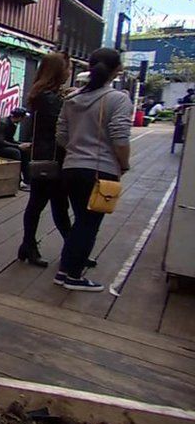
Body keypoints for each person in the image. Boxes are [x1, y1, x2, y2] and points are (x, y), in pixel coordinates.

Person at [55, 48, 132, 292]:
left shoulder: (72, 98)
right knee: (88, 224)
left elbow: (61, 135)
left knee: (81, 221)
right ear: (117, 70)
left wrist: (77, 149)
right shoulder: (118, 99)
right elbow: (120, 137)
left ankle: (64, 271)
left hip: (71, 168)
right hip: (101, 170)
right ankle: (73, 276)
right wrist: (124, 164)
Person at [18, 53, 72, 268]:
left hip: (46, 156)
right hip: (51, 158)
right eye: (67, 68)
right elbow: (60, 127)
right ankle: (73, 247)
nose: (69, 73)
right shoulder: (49, 98)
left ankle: (29, 245)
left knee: (45, 204)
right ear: (58, 71)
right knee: (52, 204)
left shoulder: (44, 95)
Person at [0, 107, 33, 189]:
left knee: (25, 151)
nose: (23, 120)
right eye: (23, 118)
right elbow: (0, 141)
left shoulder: (12, 124)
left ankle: (27, 180)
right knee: (15, 152)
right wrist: (18, 146)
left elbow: (10, 140)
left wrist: (22, 144)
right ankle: (17, 180)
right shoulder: (3, 124)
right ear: (19, 117)